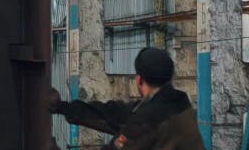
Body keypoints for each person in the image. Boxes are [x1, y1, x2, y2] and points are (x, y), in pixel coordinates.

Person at [48, 47, 205, 149]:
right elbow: (116, 113)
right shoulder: (180, 104)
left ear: (139, 80)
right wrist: (63, 107)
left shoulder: (147, 121)